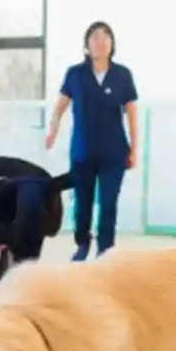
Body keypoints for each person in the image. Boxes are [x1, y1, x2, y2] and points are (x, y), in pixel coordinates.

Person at [45, 21, 139, 260]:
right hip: (82, 152)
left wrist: (135, 150)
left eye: (106, 36)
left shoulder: (122, 75)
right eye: (95, 36)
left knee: (108, 204)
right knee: (82, 204)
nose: (101, 41)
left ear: (112, 44)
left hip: (114, 153)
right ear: (87, 45)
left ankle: (105, 249)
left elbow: (132, 114)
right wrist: (52, 130)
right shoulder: (75, 74)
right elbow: (60, 107)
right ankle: (82, 244)